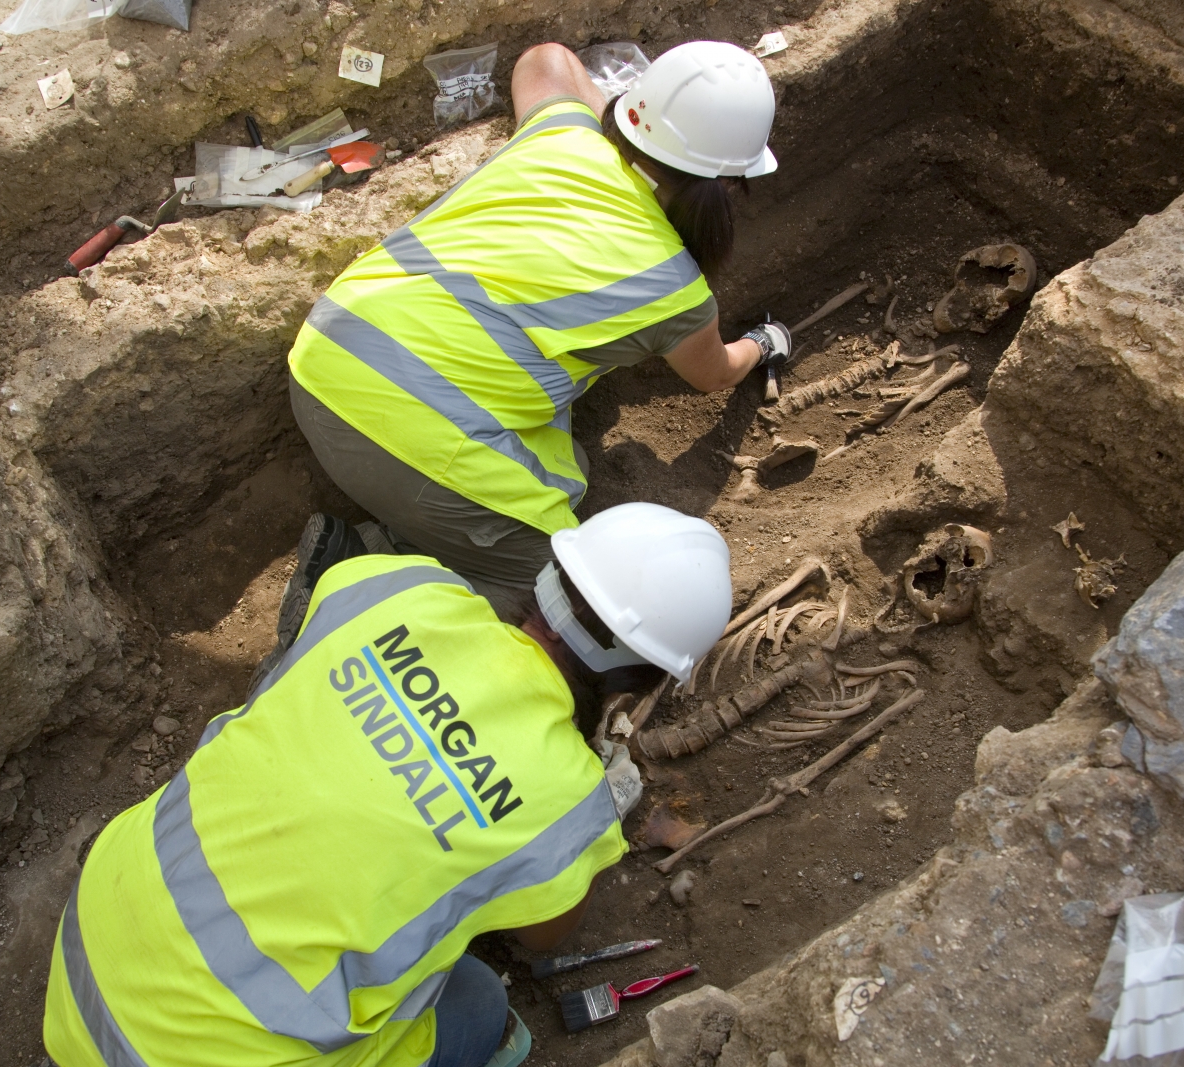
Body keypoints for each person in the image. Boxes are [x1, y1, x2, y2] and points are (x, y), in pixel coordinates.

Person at [41, 503, 732, 1067]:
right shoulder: (569, 805)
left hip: (89, 945)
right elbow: (542, 935)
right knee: (476, 1006)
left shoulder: (393, 583)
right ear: (644, 679)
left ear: (553, 568)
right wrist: (588, 803)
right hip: (205, 1055)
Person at [286, 39, 791, 620]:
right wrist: (763, 343)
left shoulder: (563, 134)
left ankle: (410, 539)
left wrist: (615, 123)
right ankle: (354, 580)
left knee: (545, 428)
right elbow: (714, 373)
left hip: (323, 357)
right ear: (728, 182)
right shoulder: (676, 289)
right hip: (409, 444)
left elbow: (546, 60)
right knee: (563, 605)